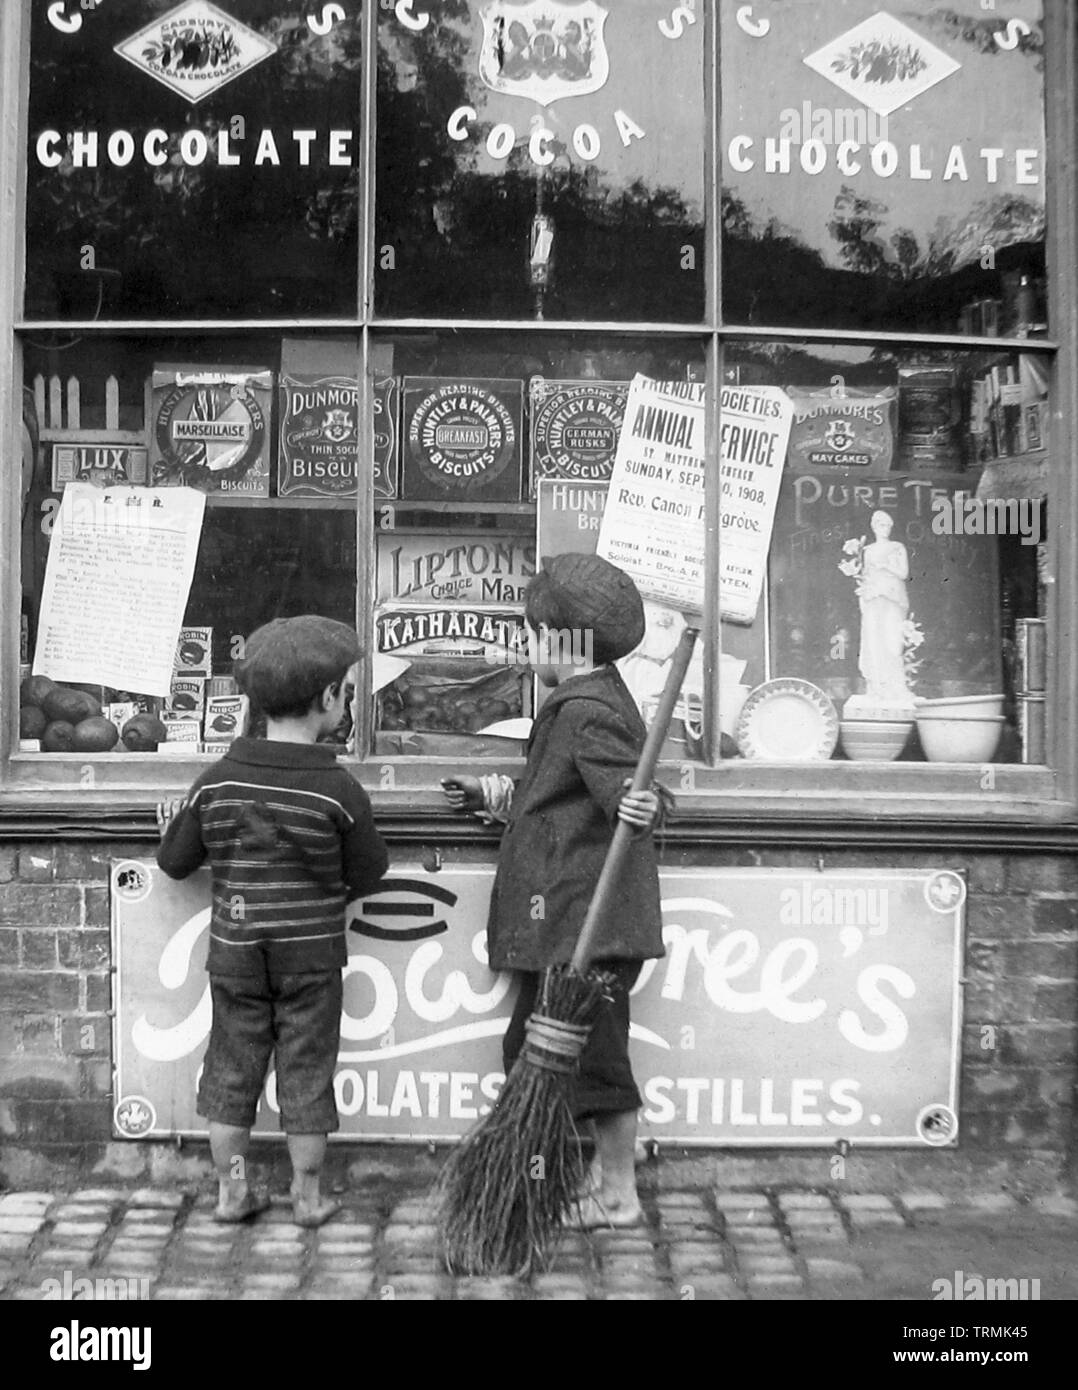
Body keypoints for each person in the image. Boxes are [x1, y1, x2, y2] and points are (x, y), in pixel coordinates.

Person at [442, 553, 667, 1229]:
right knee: (532, 1052)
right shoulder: (582, 703)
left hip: (583, 926)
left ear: (566, 639)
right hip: (568, 921)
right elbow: (559, 802)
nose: (527, 644)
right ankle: (567, 1177)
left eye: (535, 632)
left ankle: (619, 1192)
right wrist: (504, 798)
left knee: (596, 1058)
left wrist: (639, 802)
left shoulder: (586, 711)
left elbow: (638, 792)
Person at [157, 616, 388, 1227]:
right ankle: (307, 1198)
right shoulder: (339, 790)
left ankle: (233, 1193)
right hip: (310, 959)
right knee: (306, 1073)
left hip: (235, 955)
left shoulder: (217, 781)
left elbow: (176, 863)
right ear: (327, 700)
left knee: (232, 1073)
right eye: (344, 690)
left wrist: (172, 825)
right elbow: (368, 873)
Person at [857, 509, 911, 703]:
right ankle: (877, 687)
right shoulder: (867, 550)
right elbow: (865, 577)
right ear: (874, 527)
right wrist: (863, 598)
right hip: (873, 598)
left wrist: (886, 566)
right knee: (873, 641)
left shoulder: (897, 547)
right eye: (881, 525)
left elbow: (904, 573)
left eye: (888, 525)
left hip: (892, 598)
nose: (885, 529)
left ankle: (896, 686)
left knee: (893, 641)